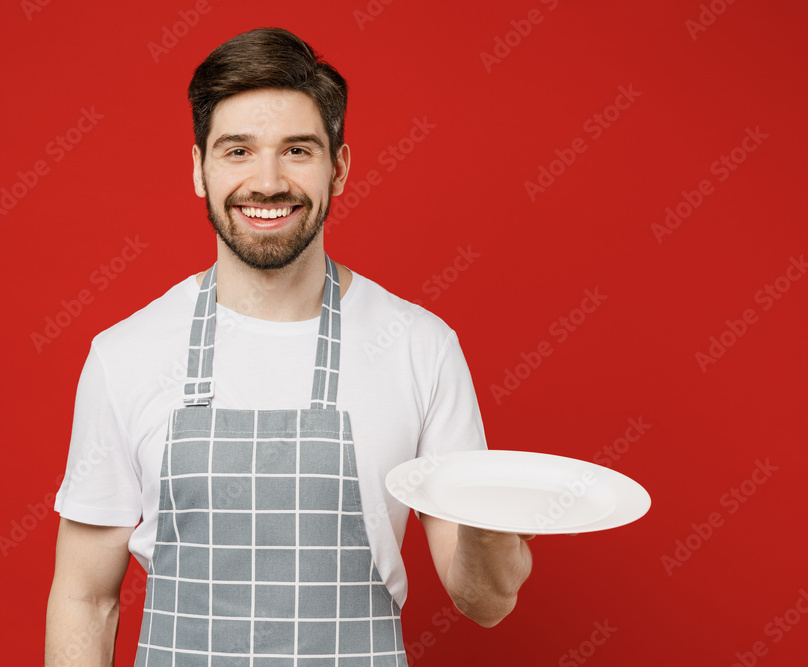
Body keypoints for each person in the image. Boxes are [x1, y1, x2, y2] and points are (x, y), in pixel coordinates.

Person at [45, 27, 532, 666]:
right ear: (198, 170)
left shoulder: (421, 347)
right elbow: (85, 597)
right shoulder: (125, 353)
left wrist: (496, 511)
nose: (268, 181)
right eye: (237, 150)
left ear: (340, 166)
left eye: (297, 150)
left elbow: (486, 602)